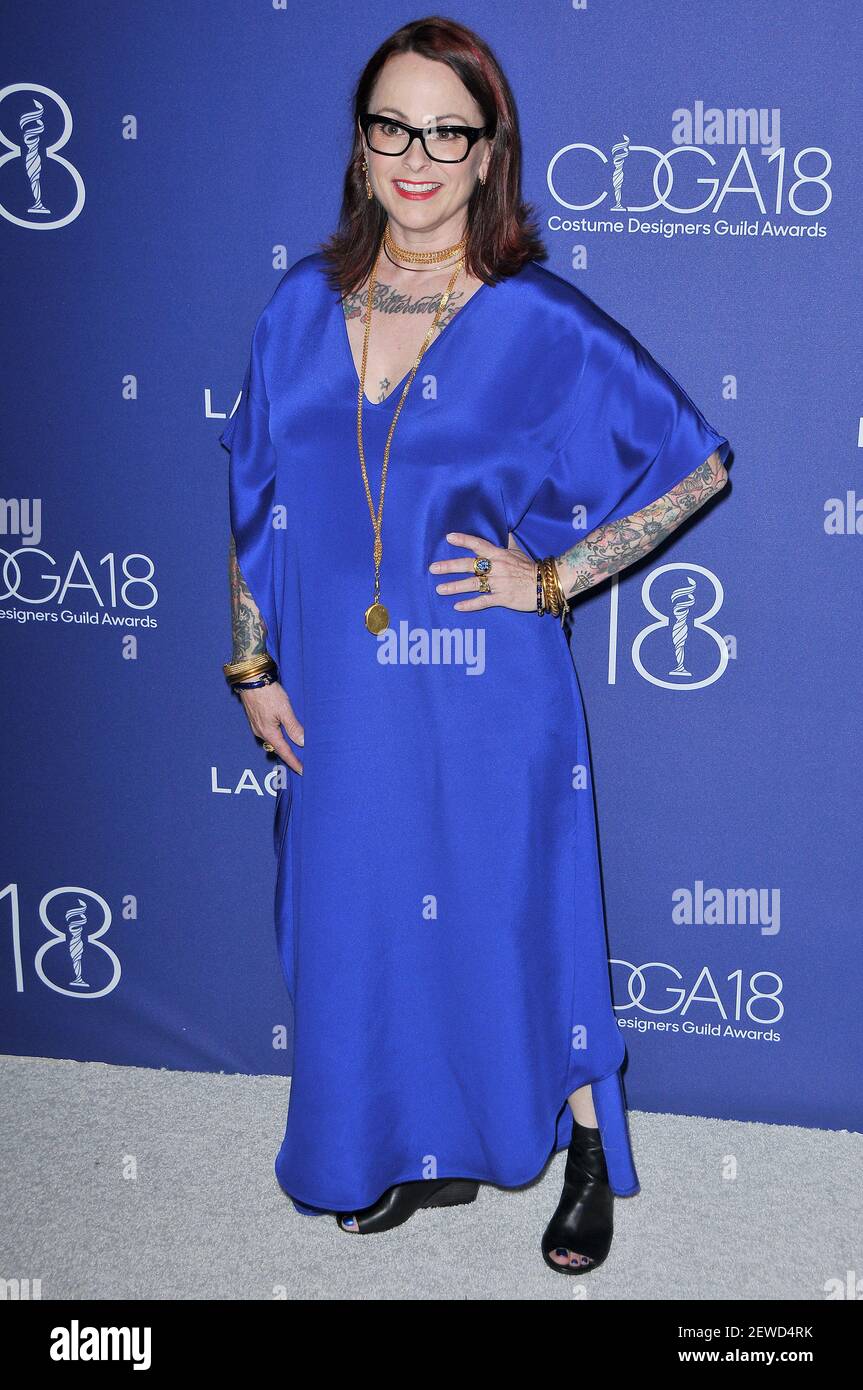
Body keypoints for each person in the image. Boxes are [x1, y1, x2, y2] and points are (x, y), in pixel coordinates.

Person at [219, 15, 730, 1276]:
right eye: (393, 125)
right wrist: (250, 662)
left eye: (449, 132)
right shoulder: (296, 307)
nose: (418, 156)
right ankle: (398, 1138)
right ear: (359, 143)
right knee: (364, 917)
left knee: (516, 909)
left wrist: (554, 576)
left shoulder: (532, 319)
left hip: (487, 687)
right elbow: (253, 490)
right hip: (340, 689)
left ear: (488, 152)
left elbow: (694, 467)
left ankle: (586, 1143)